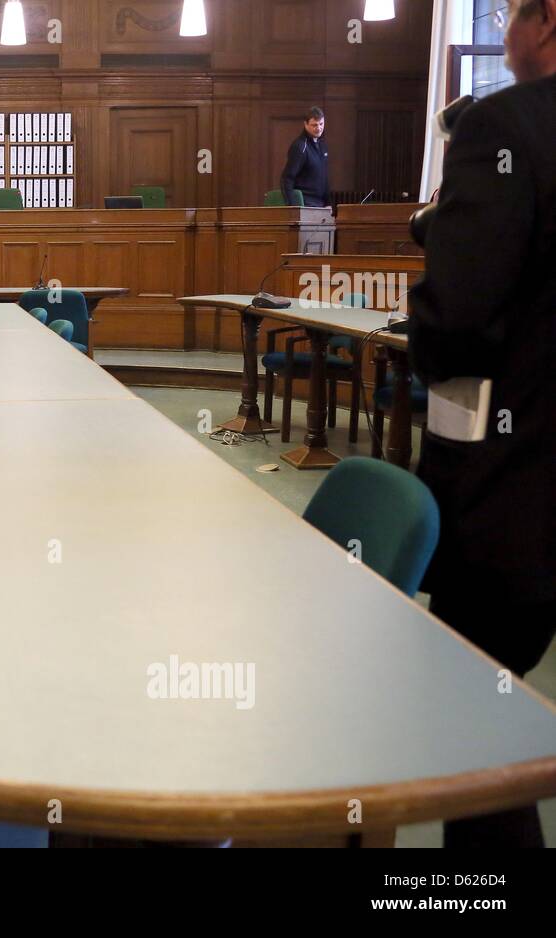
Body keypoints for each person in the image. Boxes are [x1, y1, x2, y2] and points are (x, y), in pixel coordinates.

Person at [408, 0, 556, 848]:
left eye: (506, 15)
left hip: (514, 490)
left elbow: (456, 318)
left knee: (476, 737)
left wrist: (427, 309)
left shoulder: (501, 126)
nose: (501, 32)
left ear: (541, 22)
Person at [280, 107, 329, 207]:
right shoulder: (300, 146)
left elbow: (324, 176)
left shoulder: (322, 145)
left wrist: (328, 203)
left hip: (321, 203)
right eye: (314, 125)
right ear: (306, 124)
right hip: (305, 202)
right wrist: (292, 206)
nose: (319, 128)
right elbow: (287, 178)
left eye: (321, 124)